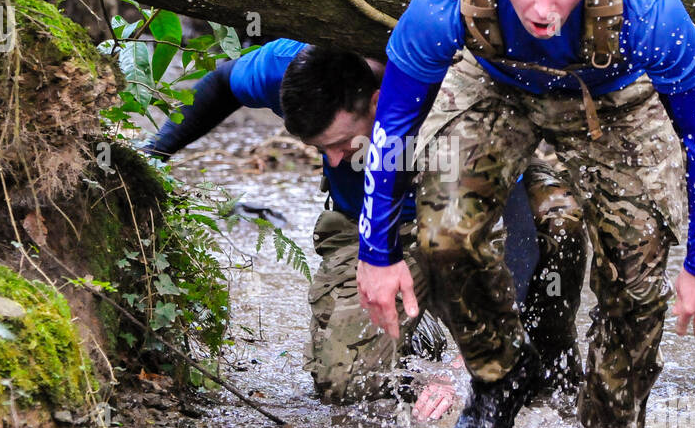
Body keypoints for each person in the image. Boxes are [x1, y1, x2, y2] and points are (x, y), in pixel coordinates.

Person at [357, 0, 695, 428]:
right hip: (495, 85)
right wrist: (376, 254)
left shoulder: (647, 6)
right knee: (443, 233)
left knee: (639, 281)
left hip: (611, 97)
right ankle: (500, 376)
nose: (543, 7)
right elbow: (393, 127)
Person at [140, 38, 586, 408]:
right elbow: (222, 83)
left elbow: (520, 235)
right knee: (343, 385)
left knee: (558, 224)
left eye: (339, 144)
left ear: (378, 103)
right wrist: (150, 157)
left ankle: (544, 361)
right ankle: (419, 338)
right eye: (320, 149)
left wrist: (474, 365)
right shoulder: (290, 69)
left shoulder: (455, 96)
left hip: (475, 218)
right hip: (365, 228)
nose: (333, 160)